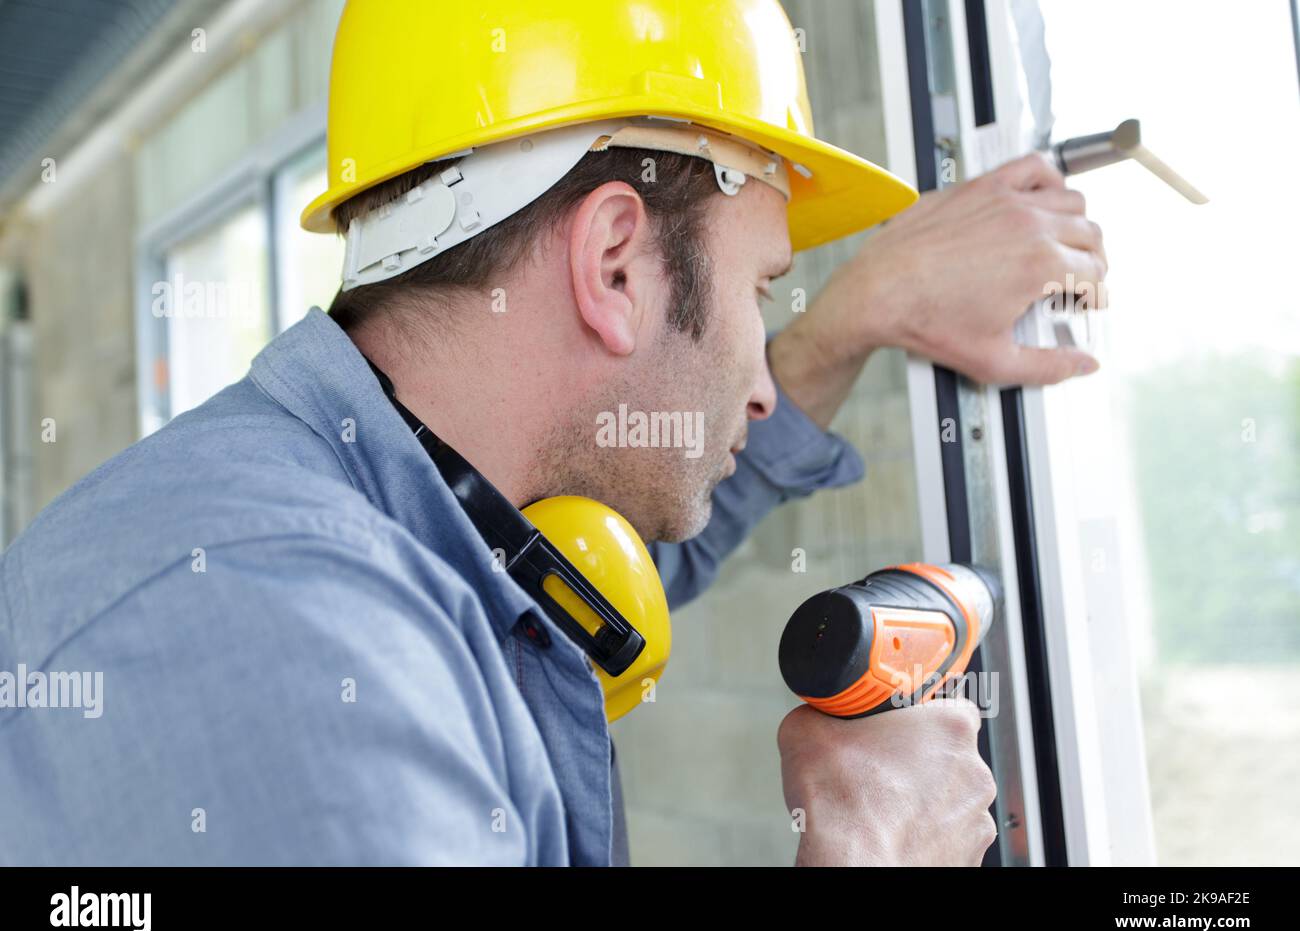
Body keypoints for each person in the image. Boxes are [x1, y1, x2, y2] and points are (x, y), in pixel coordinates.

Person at [0, 0, 1105, 865]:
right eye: (757, 292)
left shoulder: (404, 511)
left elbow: (588, 573)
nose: (758, 388)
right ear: (615, 264)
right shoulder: (288, 630)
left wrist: (849, 320)